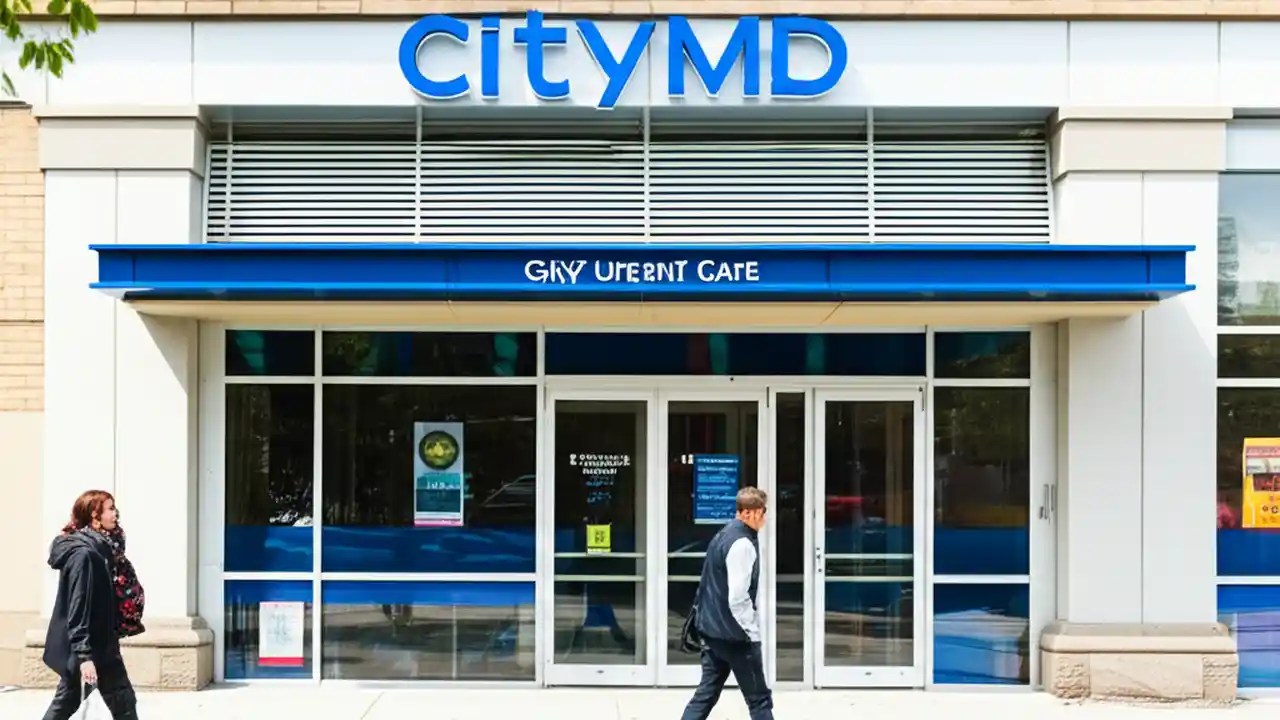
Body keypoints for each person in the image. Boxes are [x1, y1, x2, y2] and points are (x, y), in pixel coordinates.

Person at [41, 490, 140, 720]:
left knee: (125, 704)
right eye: (110, 508)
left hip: (104, 646)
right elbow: (78, 607)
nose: (116, 513)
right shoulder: (84, 555)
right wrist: (85, 657)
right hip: (89, 649)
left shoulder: (102, 549)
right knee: (65, 704)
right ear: (95, 516)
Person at [681, 486, 773, 720]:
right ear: (750, 513)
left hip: (713, 631)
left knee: (706, 694)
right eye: (763, 512)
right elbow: (738, 596)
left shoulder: (723, 534)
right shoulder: (742, 544)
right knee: (759, 700)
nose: (765, 518)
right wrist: (751, 631)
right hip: (735, 637)